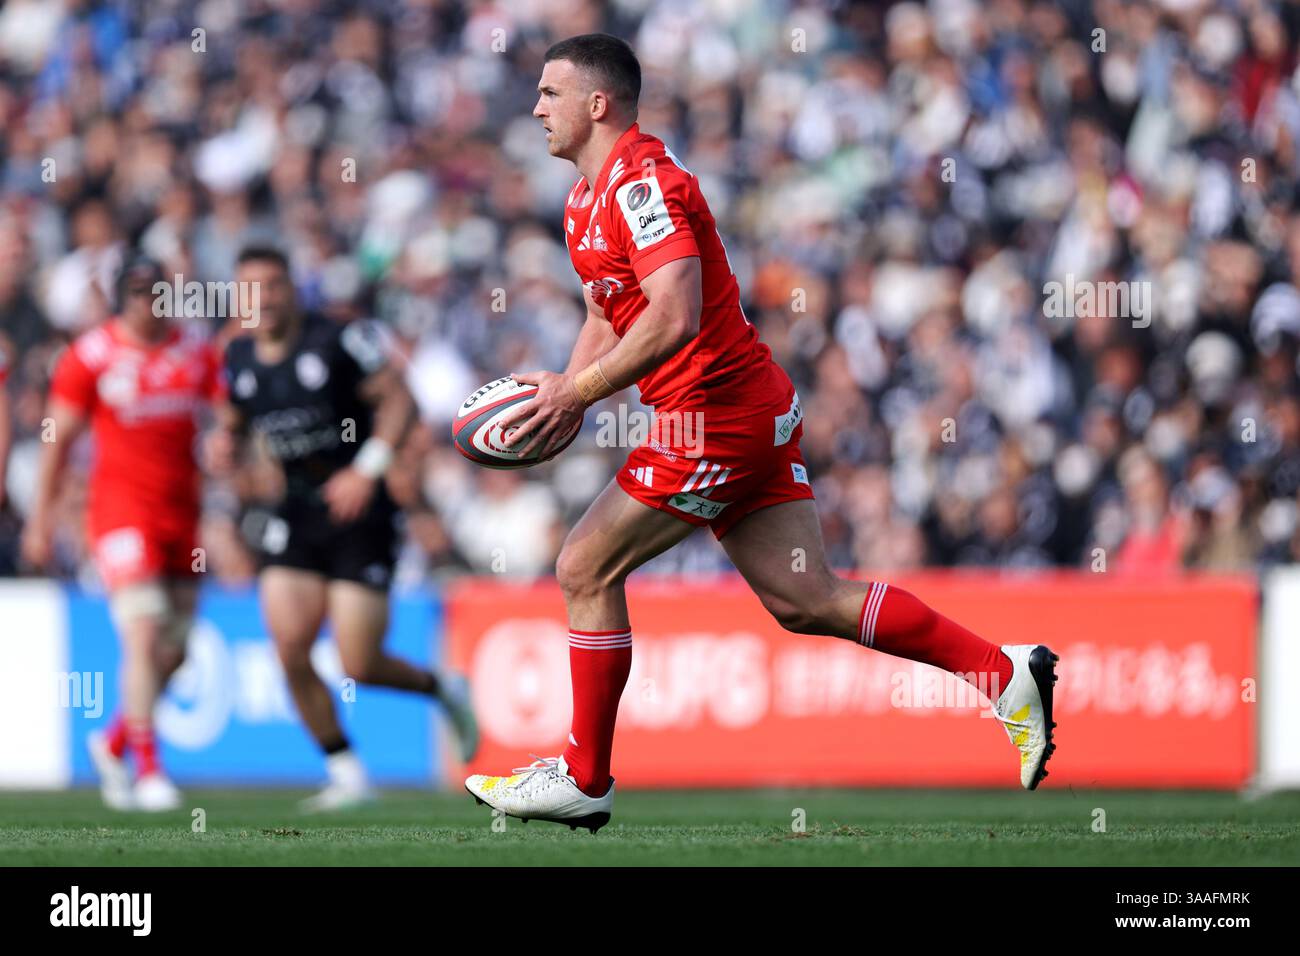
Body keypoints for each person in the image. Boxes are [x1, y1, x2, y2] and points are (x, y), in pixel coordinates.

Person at [465, 35, 1058, 832]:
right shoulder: (583, 201)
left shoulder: (644, 184)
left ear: (596, 104)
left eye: (548, 93)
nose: (535, 107)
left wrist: (581, 392)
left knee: (583, 566)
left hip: (711, 419)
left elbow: (674, 314)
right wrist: (570, 396)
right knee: (806, 599)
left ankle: (584, 776)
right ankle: (1005, 674)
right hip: (738, 409)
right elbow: (607, 313)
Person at [214, 246, 478, 811]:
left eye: (273, 285)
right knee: (290, 646)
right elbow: (234, 420)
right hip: (296, 514)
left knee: (359, 662)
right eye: (250, 289)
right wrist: (225, 446)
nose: (262, 299)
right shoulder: (236, 356)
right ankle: (344, 771)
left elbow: (400, 400)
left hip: (362, 512)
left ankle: (442, 689)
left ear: (292, 290)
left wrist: (367, 470)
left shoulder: (339, 339)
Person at [23, 254, 223, 811]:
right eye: (137, 291)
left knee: (175, 651)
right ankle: (151, 771)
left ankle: (112, 743)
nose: (148, 301)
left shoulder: (195, 352)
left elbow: (227, 419)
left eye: (156, 290)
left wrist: (229, 447)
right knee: (142, 632)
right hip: (120, 513)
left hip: (182, 515)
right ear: (121, 298)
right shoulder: (91, 356)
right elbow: (57, 439)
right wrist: (42, 518)